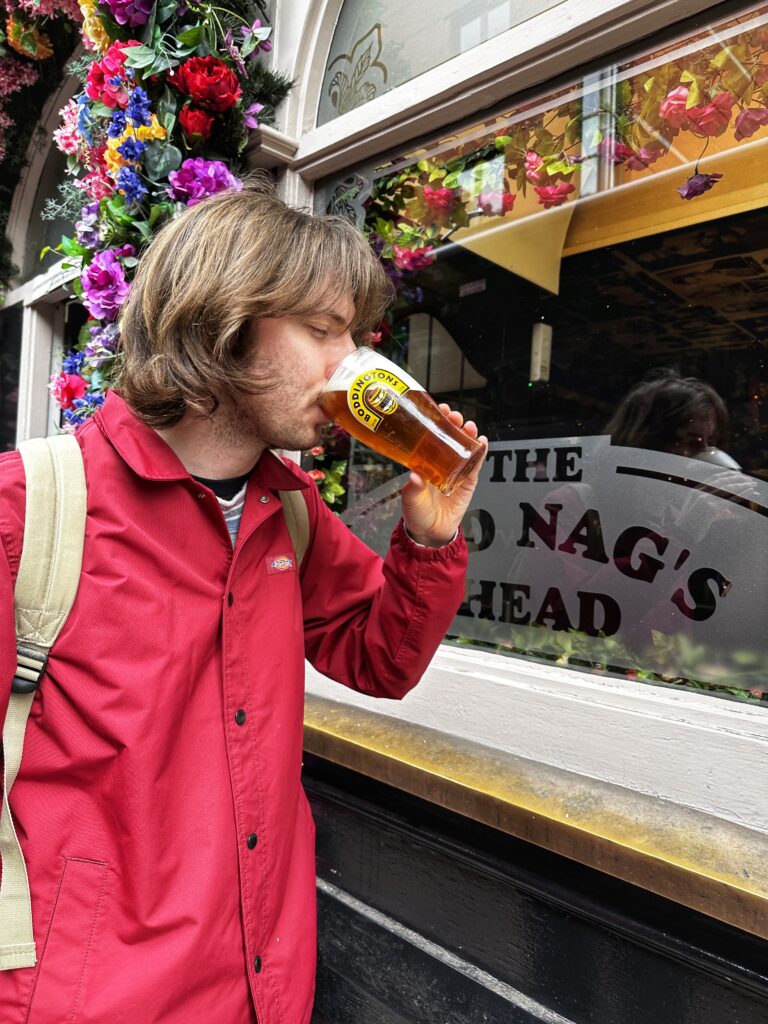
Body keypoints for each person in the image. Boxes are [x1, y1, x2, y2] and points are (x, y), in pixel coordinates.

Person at [0, 178, 485, 1023]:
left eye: (356, 336)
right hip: (88, 996)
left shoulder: (288, 509)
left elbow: (378, 660)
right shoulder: (32, 506)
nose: (353, 365)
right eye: (323, 330)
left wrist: (431, 540)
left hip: (263, 984)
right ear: (221, 322)